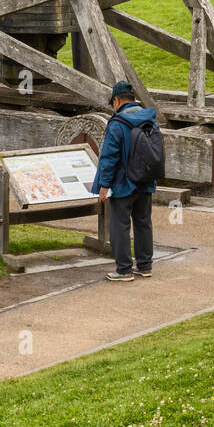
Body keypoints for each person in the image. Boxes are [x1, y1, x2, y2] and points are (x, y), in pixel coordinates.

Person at [92, 81, 159, 282]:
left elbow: (109, 158)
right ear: (134, 99)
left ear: (117, 100)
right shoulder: (150, 119)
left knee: (119, 226)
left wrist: (104, 186)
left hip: (123, 183)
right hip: (146, 180)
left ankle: (123, 270)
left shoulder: (117, 124)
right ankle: (145, 266)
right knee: (143, 222)